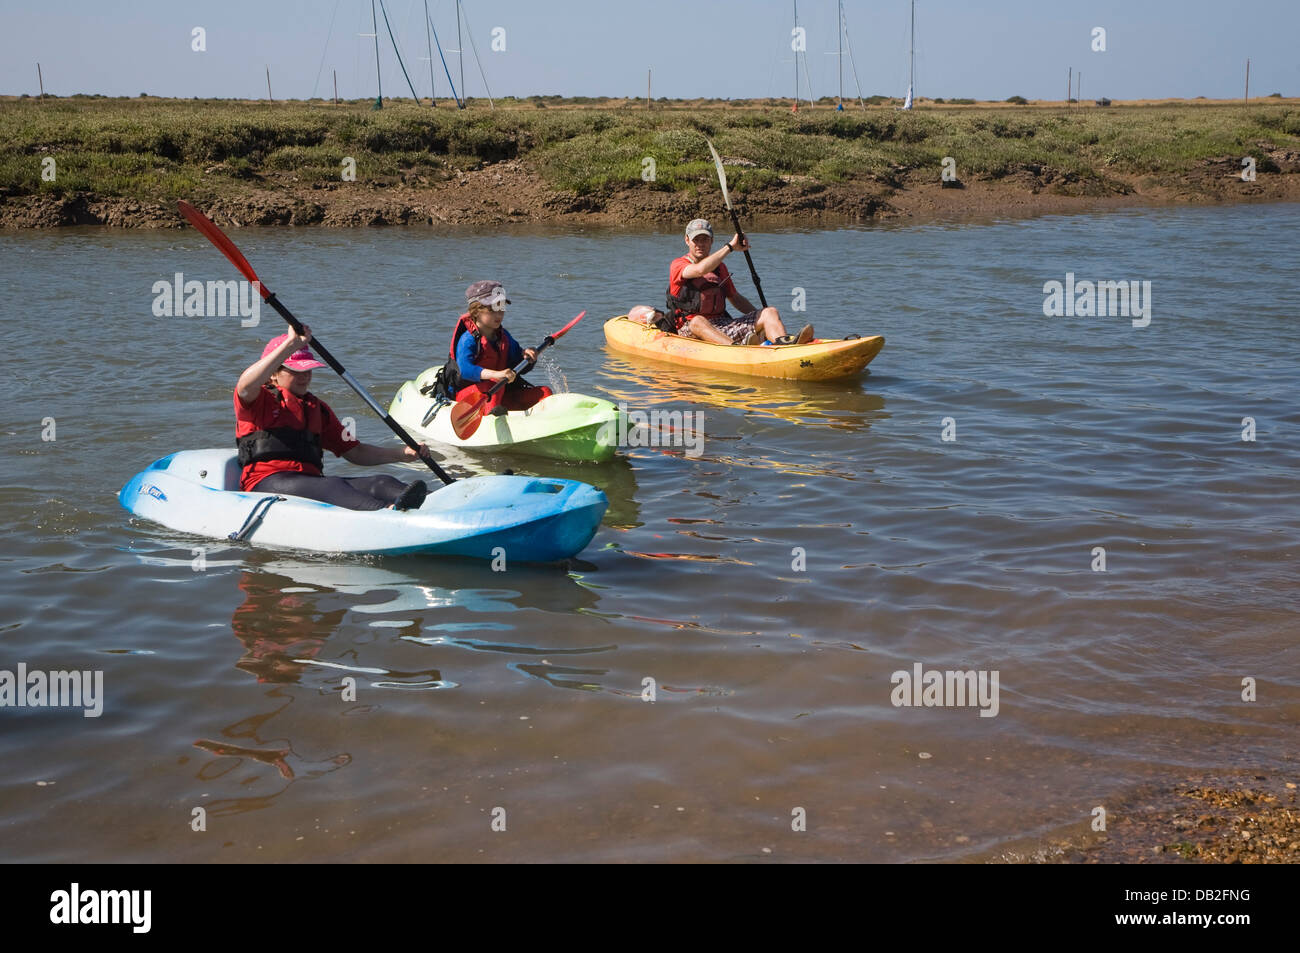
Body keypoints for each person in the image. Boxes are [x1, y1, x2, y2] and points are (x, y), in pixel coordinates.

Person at [235, 327, 430, 511]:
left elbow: (355, 451)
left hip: (310, 482)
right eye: (295, 371)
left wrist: (402, 454)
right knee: (331, 485)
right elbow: (244, 385)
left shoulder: (317, 409)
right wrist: (291, 344)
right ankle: (389, 513)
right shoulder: (258, 400)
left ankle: (437, 502)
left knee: (382, 482)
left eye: (307, 370)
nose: (304, 376)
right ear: (273, 375)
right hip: (266, 482)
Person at [662, 218, 813, 346]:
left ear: (711, 241)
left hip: (722, 324)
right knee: (697, 321)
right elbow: (699, 270)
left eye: (705, 239)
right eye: (696, 240)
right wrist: (730, 247)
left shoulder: (720, 268)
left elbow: (735, 298)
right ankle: (738, 350)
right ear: (687, 240)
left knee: (770, 312)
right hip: (689, 328)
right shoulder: (678, 265)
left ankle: (784, 346)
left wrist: (760, 320)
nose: (700, 244)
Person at [449, 280, 552, 414]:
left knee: (544, 392)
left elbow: (519, 363)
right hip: (470, 398)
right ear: (476, 311)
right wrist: (496, 374)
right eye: (492, 310)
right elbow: (465, 369)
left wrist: (529, 356)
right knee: (493, 385)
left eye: (501, 308)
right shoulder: (468, 340)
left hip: (498, 394)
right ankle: (494, 418)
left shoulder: (504, 337)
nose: (499, 315)